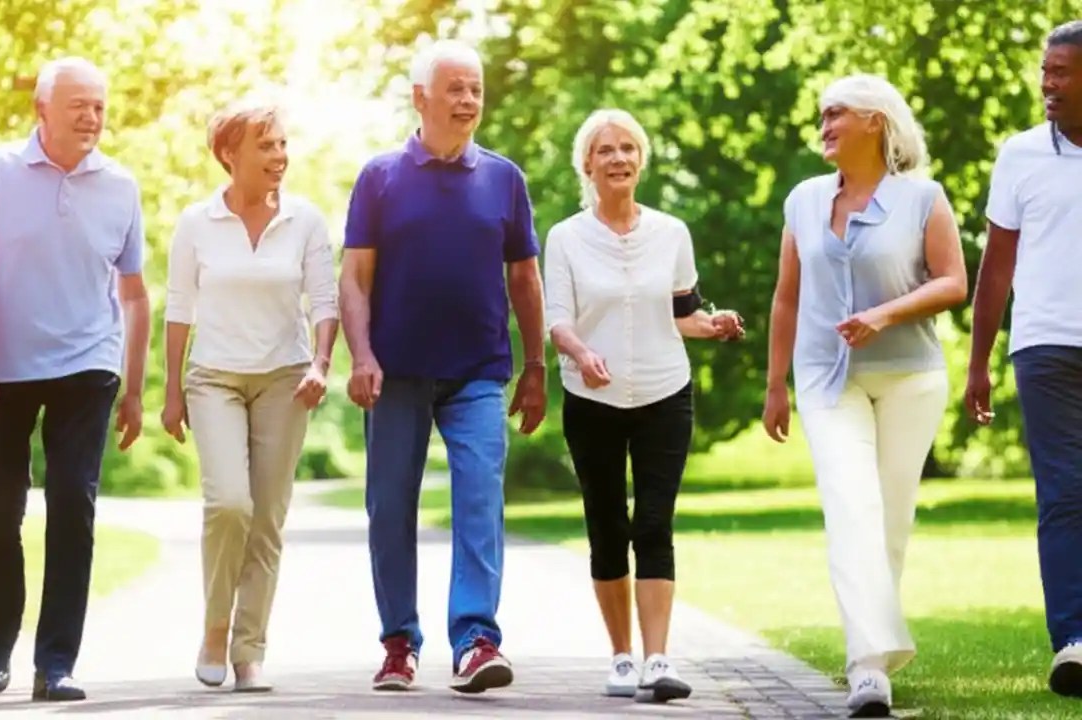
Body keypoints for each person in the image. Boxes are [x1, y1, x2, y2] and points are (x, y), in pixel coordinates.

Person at [339, 38, 547, 694]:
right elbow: (354, 279)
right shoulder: (380, 176)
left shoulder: (504, 179)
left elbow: (526, 279)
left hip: (479, 371)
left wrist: (536, 364)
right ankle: (399, 642)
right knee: (390, 506)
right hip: (396, 371)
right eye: (455, 88)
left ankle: (477, 640)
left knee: (480, 498)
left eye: (476, 89)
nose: (468, 100)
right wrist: (362, 353)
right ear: (420, 98)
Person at [0, 56, 150, 702]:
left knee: (73, 504)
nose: (92, 117)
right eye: (78, 105)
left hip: (87, 367)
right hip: (1, 368)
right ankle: (0, 630)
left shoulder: (121, 185)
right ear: (42, 110)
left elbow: (136, 293)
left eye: (99, 106)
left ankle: (55, 661)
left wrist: (135, 385)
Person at [762, 74, 966, 717]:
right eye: (822, 116)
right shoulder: (802, 200)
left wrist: (885, 315)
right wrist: (774, 387)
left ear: (875, 121)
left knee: (890, 521)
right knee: (851, 509)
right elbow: (787, 295)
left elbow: (954, 281)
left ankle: (871, 652)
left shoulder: (923, 198)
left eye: (836, 114)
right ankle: (868, 668)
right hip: (826, 380)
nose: (824, 126)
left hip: (910, 375)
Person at [543, 108, 744, 703]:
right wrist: (580, 353)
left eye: (628, 148)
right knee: (607, 527)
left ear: (642, 160)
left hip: (664, 392)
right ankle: (622, 658)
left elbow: (683, 313)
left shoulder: (671, 233)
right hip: (592, 398)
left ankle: (658, 659)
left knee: (654, 523)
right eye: (606, 150)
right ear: (588, 164)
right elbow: (557, 320)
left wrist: (716, 324)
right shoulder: (566, 238)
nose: (619, 159)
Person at [161, 101, 338, 692]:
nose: (280, 156)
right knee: (229, 505)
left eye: (283, 145)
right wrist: (170, 390)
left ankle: (249, 650)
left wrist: (320, 364)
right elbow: (179, 309)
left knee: (266, 521)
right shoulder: (196, 222)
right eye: (266, 146)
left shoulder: (306, 220)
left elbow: (325, 302)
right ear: (229, 154)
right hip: (213, 377)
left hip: (285, 379)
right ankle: (216, 627)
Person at [965, 20, 1082, 699]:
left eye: (1061, 73)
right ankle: (1072, 639)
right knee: (1065, 494)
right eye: (1044, 72)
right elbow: (996, 266)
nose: (1047, 84)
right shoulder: (1021, 155)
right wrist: (979, 361)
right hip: (1044, 346)